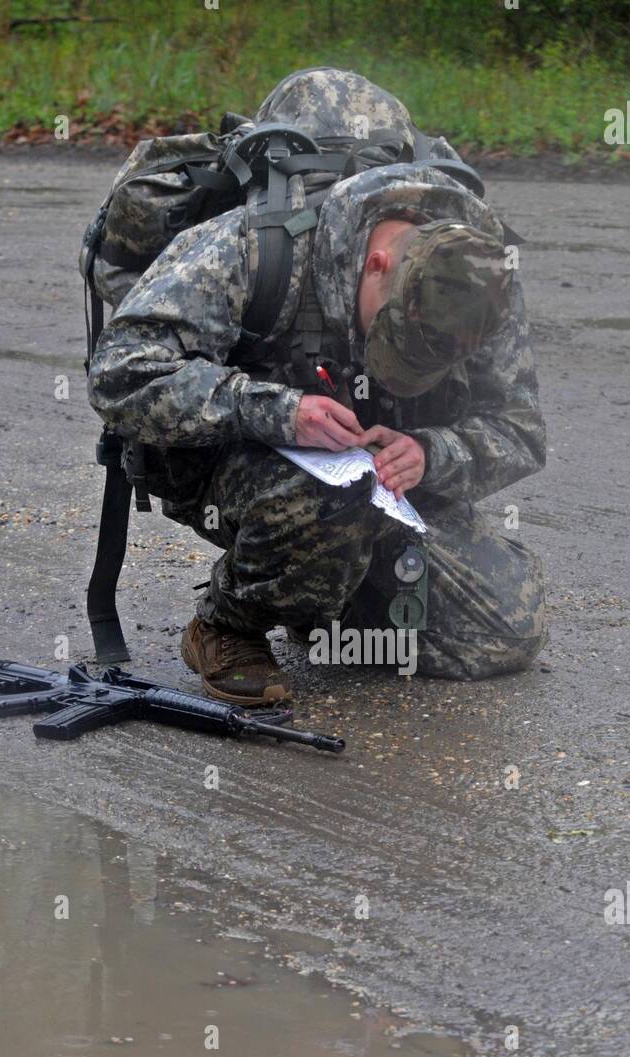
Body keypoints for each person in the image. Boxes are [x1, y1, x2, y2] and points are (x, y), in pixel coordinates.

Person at [87, 68, 547, 704]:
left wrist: (430, 452)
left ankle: (318, 589)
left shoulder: (479, 279)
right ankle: (227, 623)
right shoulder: (255, 244)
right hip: (241, 462)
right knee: (332, 502)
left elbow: (519, 428)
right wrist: (277, 410)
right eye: (392, 345)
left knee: (504, 629)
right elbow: (121, 370)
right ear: (376, 263)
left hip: (386, 487)